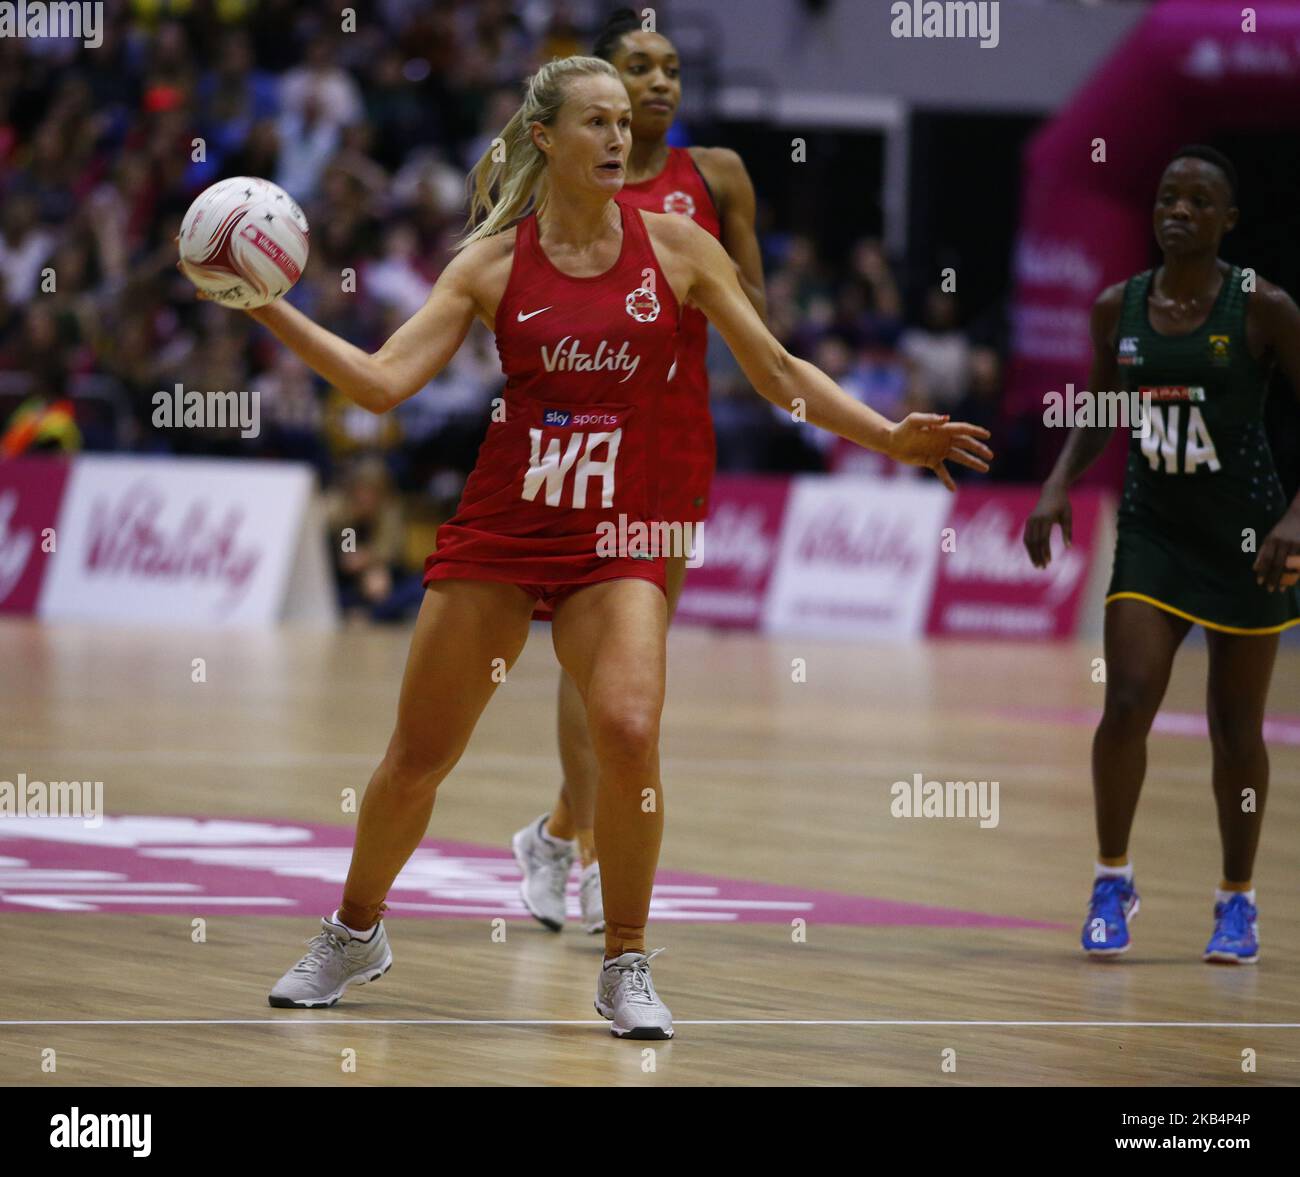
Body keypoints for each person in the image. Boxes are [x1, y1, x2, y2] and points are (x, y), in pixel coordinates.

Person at [184, 55, 991, 1039]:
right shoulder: (486, 265)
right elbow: (379, 384)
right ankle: (354, 931)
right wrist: (262, 303)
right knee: (415, 761)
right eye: (596, 123)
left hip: (620, 536)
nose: (617, 139)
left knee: (628, 731)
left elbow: (776, 369)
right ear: (545, 140)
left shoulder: (680, 249)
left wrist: (885, 436)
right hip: (503, 529)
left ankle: (626, 961)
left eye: (622, 123)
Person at [509, 8, 767, 938]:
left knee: (629, 675)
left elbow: (757, 318)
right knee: (585, 675)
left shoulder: (720, 179)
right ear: (597, 87)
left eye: (670, 70)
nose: (657, 85)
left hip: (675, 447)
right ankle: (579, 854)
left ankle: (557, 831)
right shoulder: (552, 198)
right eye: (637, 70)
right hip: (576, 447)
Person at [1024, 145, 1300, 966]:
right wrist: (1057, 480)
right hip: (1153, 532)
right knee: (1129, 697)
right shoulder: (1119, 306)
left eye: (1197, 200)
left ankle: (1237, 900)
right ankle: (1112, 878)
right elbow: (1103, 406)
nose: (1177, 210)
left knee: (1234, 729)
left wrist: (1295, 518)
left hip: (1248, 542)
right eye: (1166, 196)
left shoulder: (1265, 308)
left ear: (1228, 221)